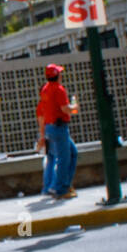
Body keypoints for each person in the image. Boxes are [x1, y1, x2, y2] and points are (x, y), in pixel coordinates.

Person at [36, 62, 79, 199]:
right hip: (59, 127)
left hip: (50, 127)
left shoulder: (45, 89)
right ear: (57, 75)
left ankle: (63, 185)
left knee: (71, 153)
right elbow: (65, 109)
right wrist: (74, 106)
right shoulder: (59, 89)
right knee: (64, 158)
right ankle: (60, 188)